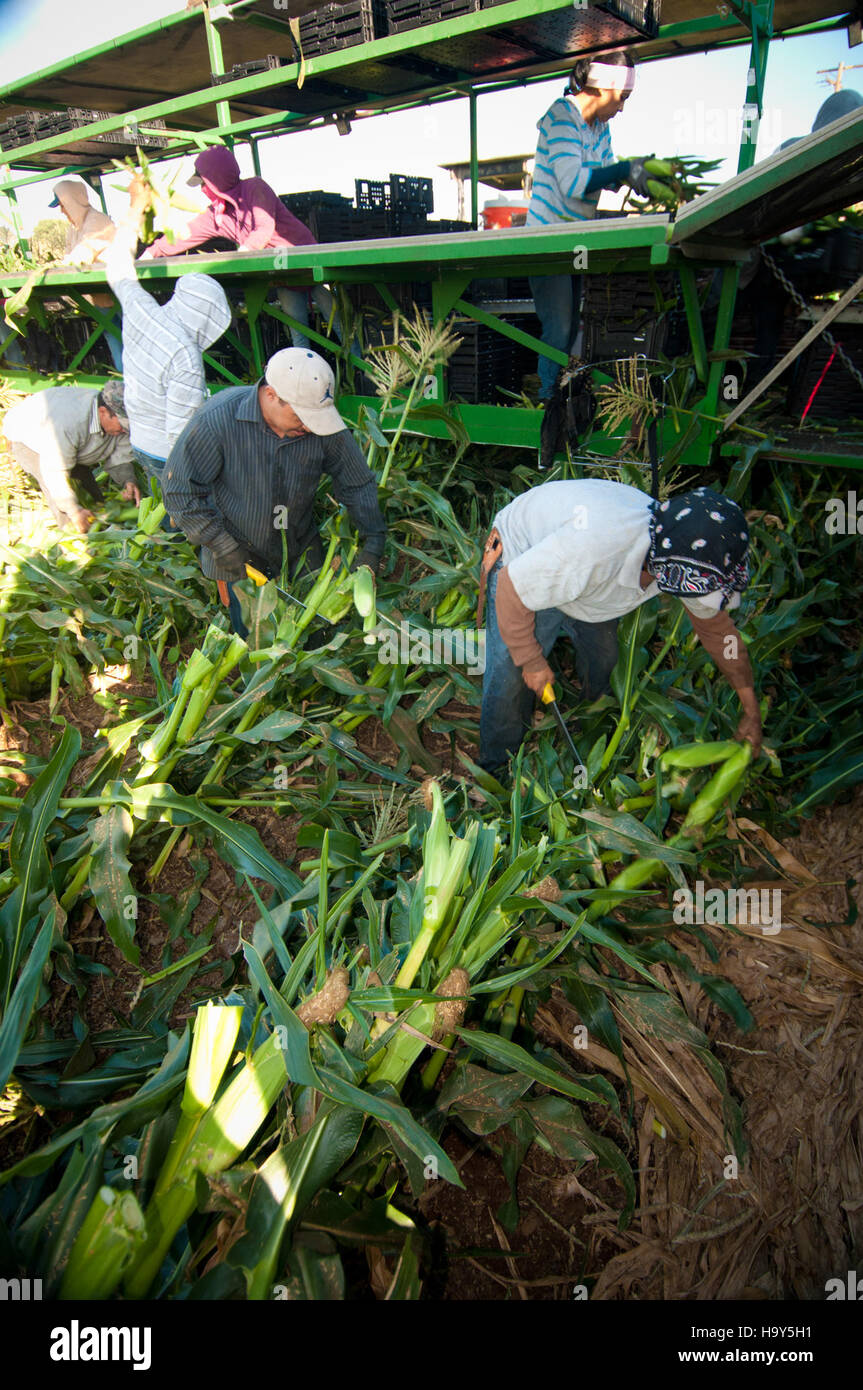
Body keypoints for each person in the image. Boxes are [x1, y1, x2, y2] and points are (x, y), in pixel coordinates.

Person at [478, 479, 762, 775]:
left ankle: (587, 720)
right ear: (671, 569)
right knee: (510, 674)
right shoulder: (594, 549)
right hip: (523, 560)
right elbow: (512, 588)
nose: (701, 594)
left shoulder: (684, 554)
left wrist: (750, 706)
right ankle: (496, 768)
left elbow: (721, 637)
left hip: (582, 582)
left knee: (606, 656)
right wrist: (531, 661)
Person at [163, 347, 386, 636]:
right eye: (301, 416)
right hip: (237, 552)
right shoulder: (217, 420)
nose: (309, 426)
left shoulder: (318, 425)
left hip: (300, 546)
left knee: (314, 634)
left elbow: (357, 483)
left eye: (315, 418)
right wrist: (219, 543)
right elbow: (180, 491)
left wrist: (373, 542)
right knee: (254, 639)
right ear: (271, 396)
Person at [525, 52, 651, 399]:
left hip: (575, 241)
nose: (622, 108)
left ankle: (558, 394)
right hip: (547, 240)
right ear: (604, 87)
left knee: (569, 330)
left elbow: (605, 172)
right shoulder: (561, 116)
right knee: (559, 326)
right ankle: (548, 399)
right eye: (622, 98)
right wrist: (623, 170)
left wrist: (635, 177)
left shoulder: (600, 127)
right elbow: (573, 182)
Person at [142, 145, 346, 353]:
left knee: (339, 324)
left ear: (217, 178)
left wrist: (243, 254)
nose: (203, 189)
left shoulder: (255, 188)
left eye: (205, 183)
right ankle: (303, 378)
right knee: (298, 333)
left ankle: (362, 373)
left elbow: (264, 227)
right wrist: (151, 253)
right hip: (285, 275)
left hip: (308, 261)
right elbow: (186, 234)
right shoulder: (217, 214)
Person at [102, 204, 232, 492]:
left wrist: (130, 222)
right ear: (206, 319)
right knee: (186, 520)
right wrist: (185, 481)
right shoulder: (185, 355)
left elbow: (118, 270)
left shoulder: (142, 310)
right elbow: (180, 432)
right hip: (165, 453)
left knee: (158, 509)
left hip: (139, 442)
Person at [3, 380, 140, 532]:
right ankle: (76, 544)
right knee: (67, 508)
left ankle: (101, 529)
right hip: (30, 439)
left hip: (72, 443)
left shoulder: (118, 425)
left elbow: (119, 455)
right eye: (121, 425)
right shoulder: (68, 425)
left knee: (93, 498)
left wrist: (128, 480)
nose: (124, 430)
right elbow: (55, 474)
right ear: (102, 412)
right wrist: (73, 510)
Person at [49, 179, 123, 371]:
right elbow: (69, 254)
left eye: (63, 205)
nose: (62, 211)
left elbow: (84, 252)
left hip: (119, 292)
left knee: (134, 335)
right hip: (100, 297)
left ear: (73, 201)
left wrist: (62, 264)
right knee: (111, 333)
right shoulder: (73, 229)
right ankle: (127, 379)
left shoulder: (97, 221)